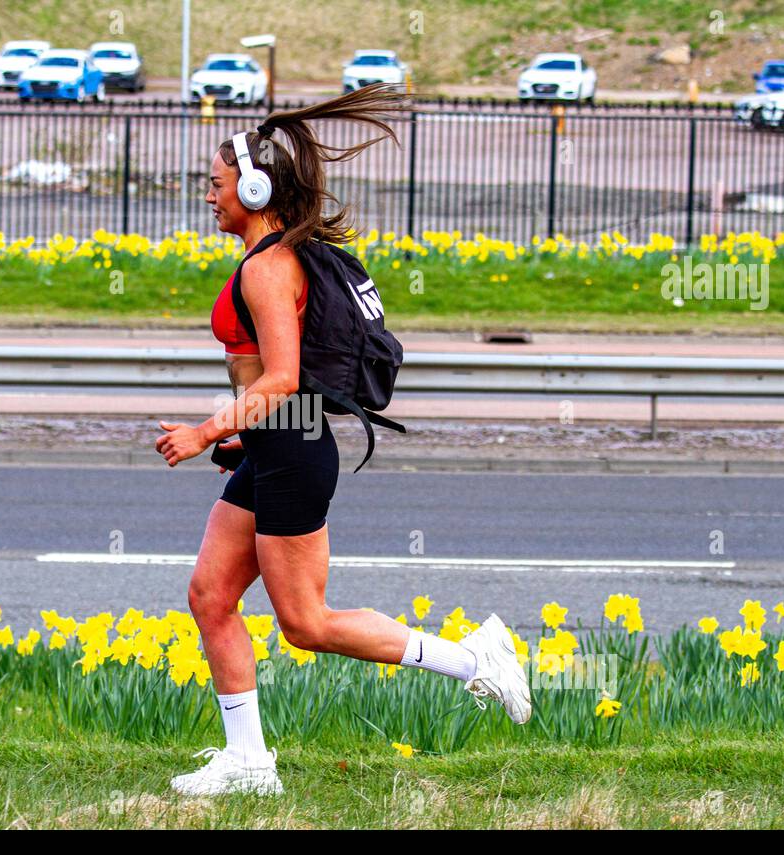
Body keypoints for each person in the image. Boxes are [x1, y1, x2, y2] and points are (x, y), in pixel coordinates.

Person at [154, 83, 530, 797]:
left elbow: (285, 379)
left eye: (216, 183)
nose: (208, 195)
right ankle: (248, 763)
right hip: (272, 447)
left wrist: (205, 431)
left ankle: (475, 658)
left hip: (294, 453)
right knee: (210, 594)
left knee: (306, 622)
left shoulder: (268, 268)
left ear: (256, 187)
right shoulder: (271, 259)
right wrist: (240, 441)